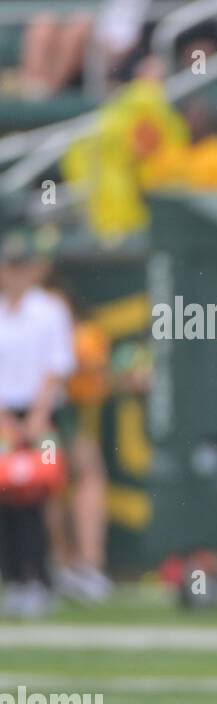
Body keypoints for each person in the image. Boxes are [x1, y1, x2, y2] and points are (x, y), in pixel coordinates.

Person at [0, 233, 75, 617]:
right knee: (6, 494)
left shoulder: (49, 310)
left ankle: (43, 576)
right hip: (4, 418)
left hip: (42, 415)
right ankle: (15, 576)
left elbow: (58, 365)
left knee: (40, 491)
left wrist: (37, 416)